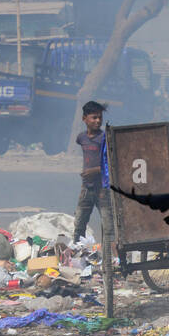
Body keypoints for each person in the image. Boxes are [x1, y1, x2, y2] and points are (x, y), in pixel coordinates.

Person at [73, 100, 108, 242]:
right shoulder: (81, 138)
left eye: (100, 117)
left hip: (103, 189)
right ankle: (76, 252)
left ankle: (109, 258)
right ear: (84, 119)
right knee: (80, 222)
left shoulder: (105, 138)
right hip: (86, 188)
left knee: (108, 225)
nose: (98, 121)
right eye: (94, 117)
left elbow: (110, 163)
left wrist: (95, 170)